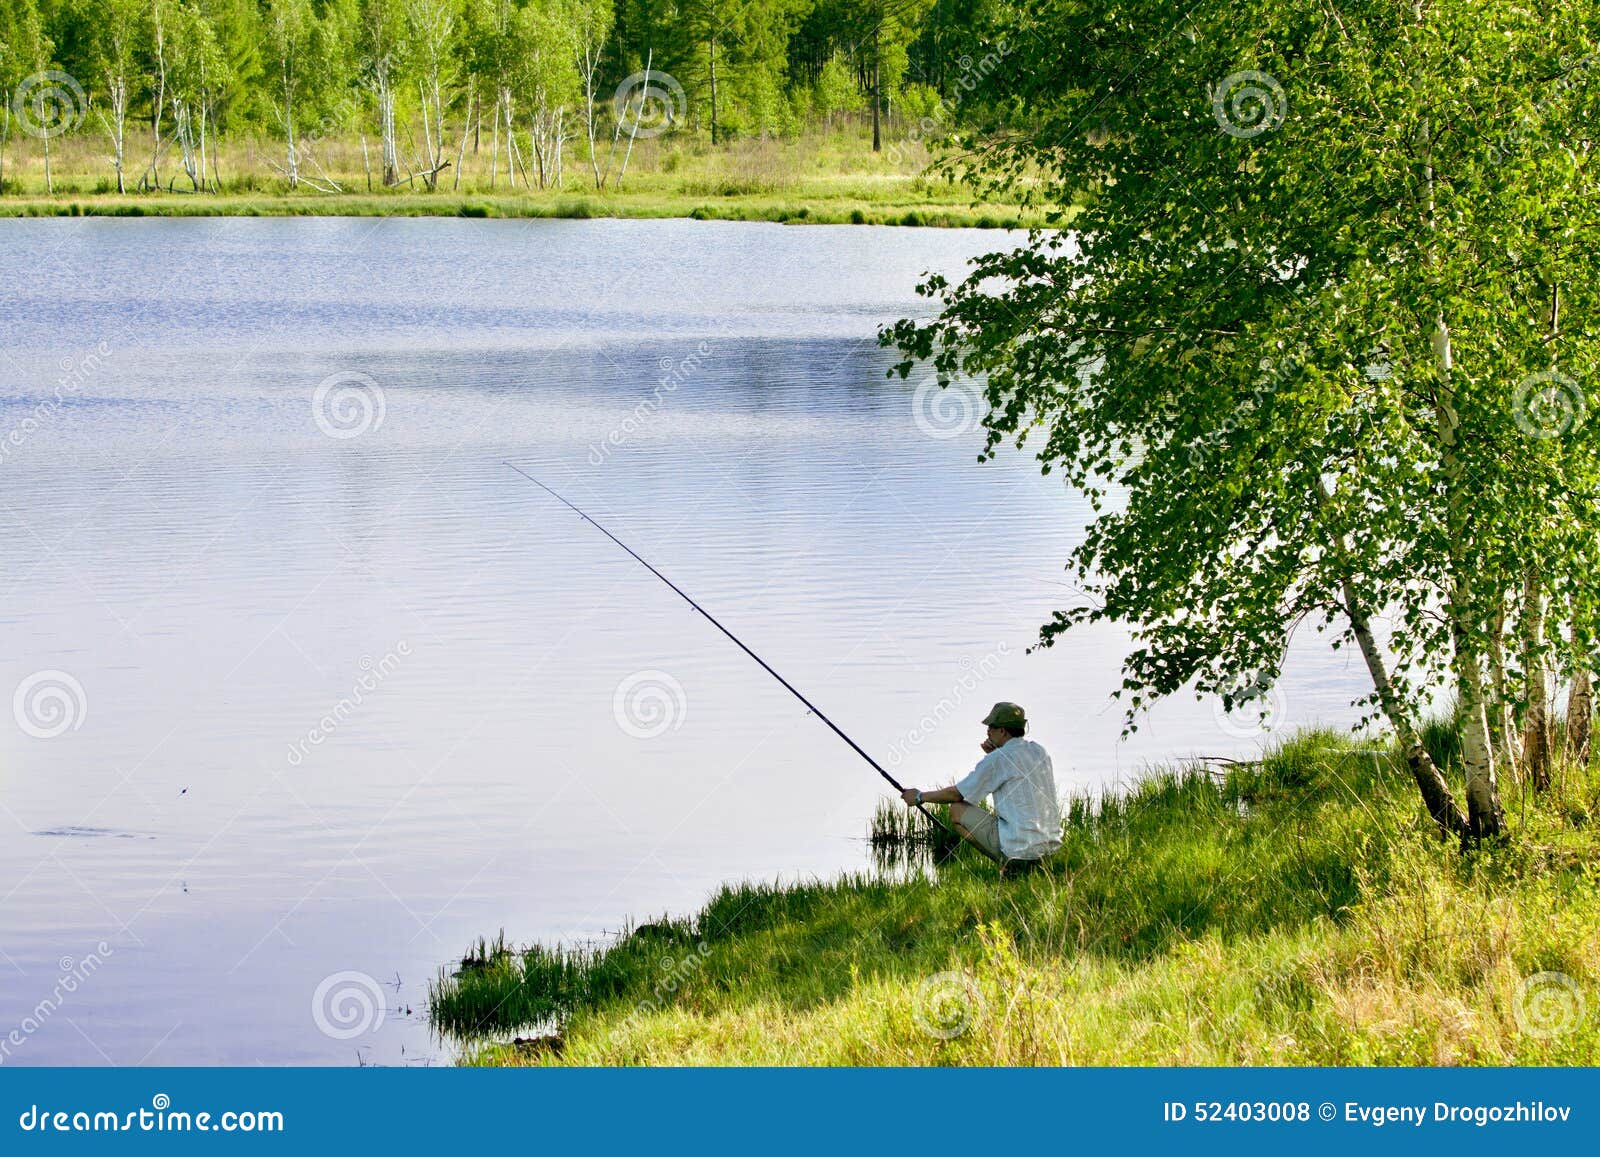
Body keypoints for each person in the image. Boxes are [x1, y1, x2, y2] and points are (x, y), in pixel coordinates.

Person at [900, 702, 1062, 872]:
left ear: (1002, 731)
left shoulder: (998, 759)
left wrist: (919, 797)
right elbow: (1014, 769)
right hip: (1051, 850)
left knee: (957, 810)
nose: (987, 731)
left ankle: (1006, 865)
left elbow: (956, 795)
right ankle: (1027, 867)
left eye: (991, 727)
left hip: (1021, 852)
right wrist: (994, 754)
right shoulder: (1039, 751)